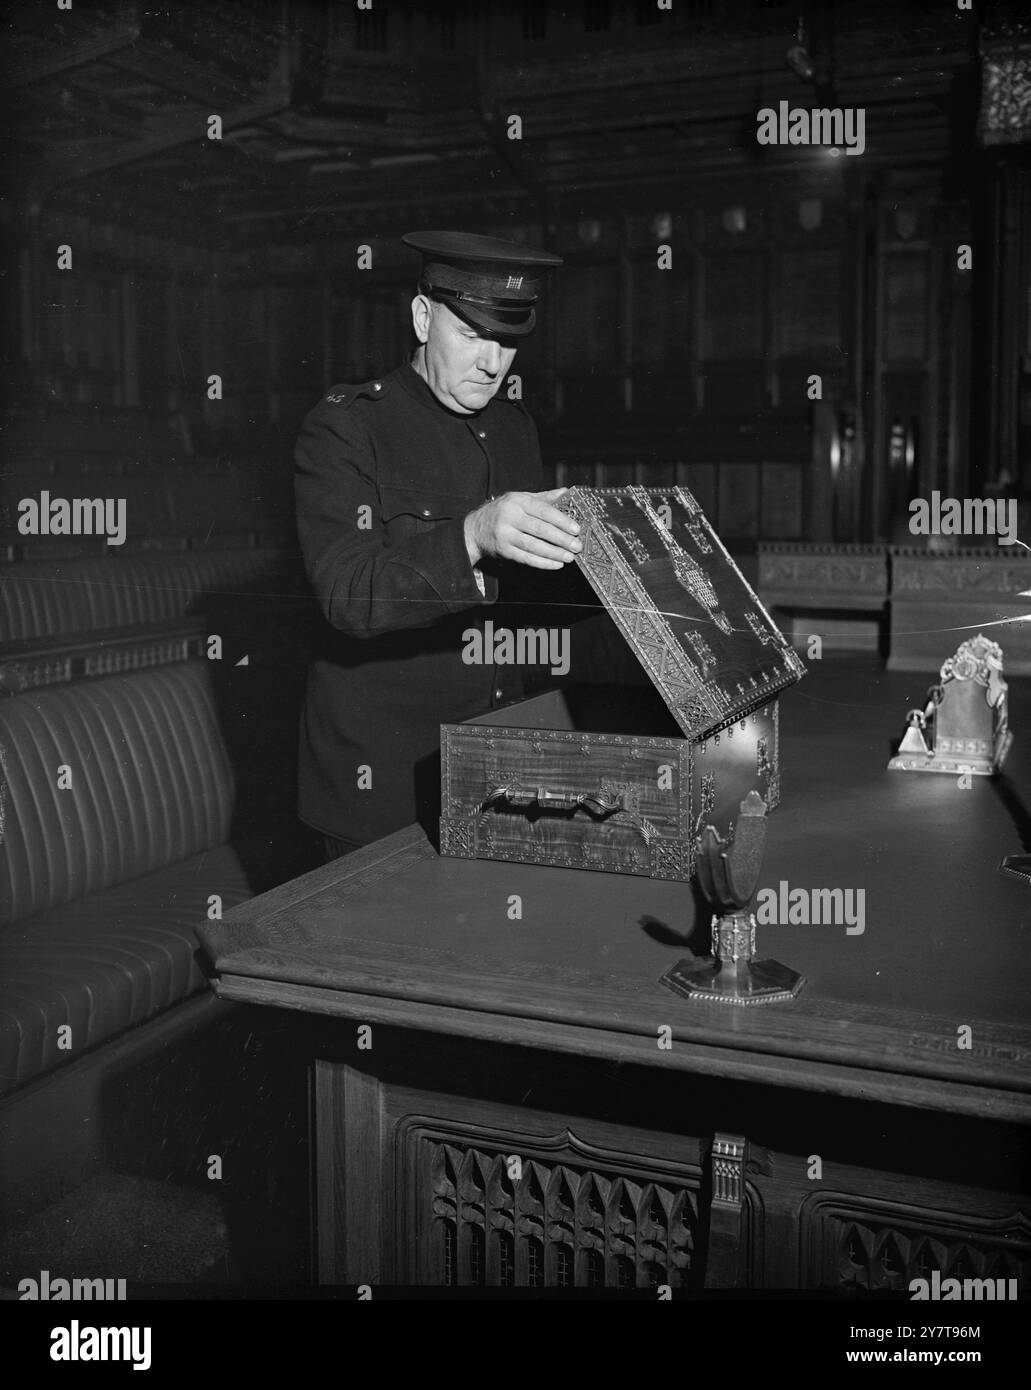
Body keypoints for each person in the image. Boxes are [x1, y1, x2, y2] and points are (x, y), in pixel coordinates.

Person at [294, 230, 581, 860]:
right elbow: (348, 595)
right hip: (385, 790)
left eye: (506, 341)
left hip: (495, 768)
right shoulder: (348, 425)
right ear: (423, 318)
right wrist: (474, 534)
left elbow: (524, 600)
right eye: (471, 334)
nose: (491, 362)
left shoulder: (513, 426)